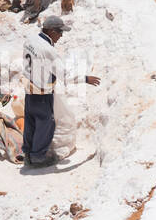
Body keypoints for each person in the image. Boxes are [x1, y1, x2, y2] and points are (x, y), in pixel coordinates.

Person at [22, 14, 99, 168]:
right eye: (60, 32)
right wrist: (85, 79)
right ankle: (38, 157)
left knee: (30, 121)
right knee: (45, 123)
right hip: (43, 93)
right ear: (51, 31)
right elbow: (65, 75)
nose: (61, 36)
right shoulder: (49, 51)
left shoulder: (30, 41)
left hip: (29, 89)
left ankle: (28, 153)